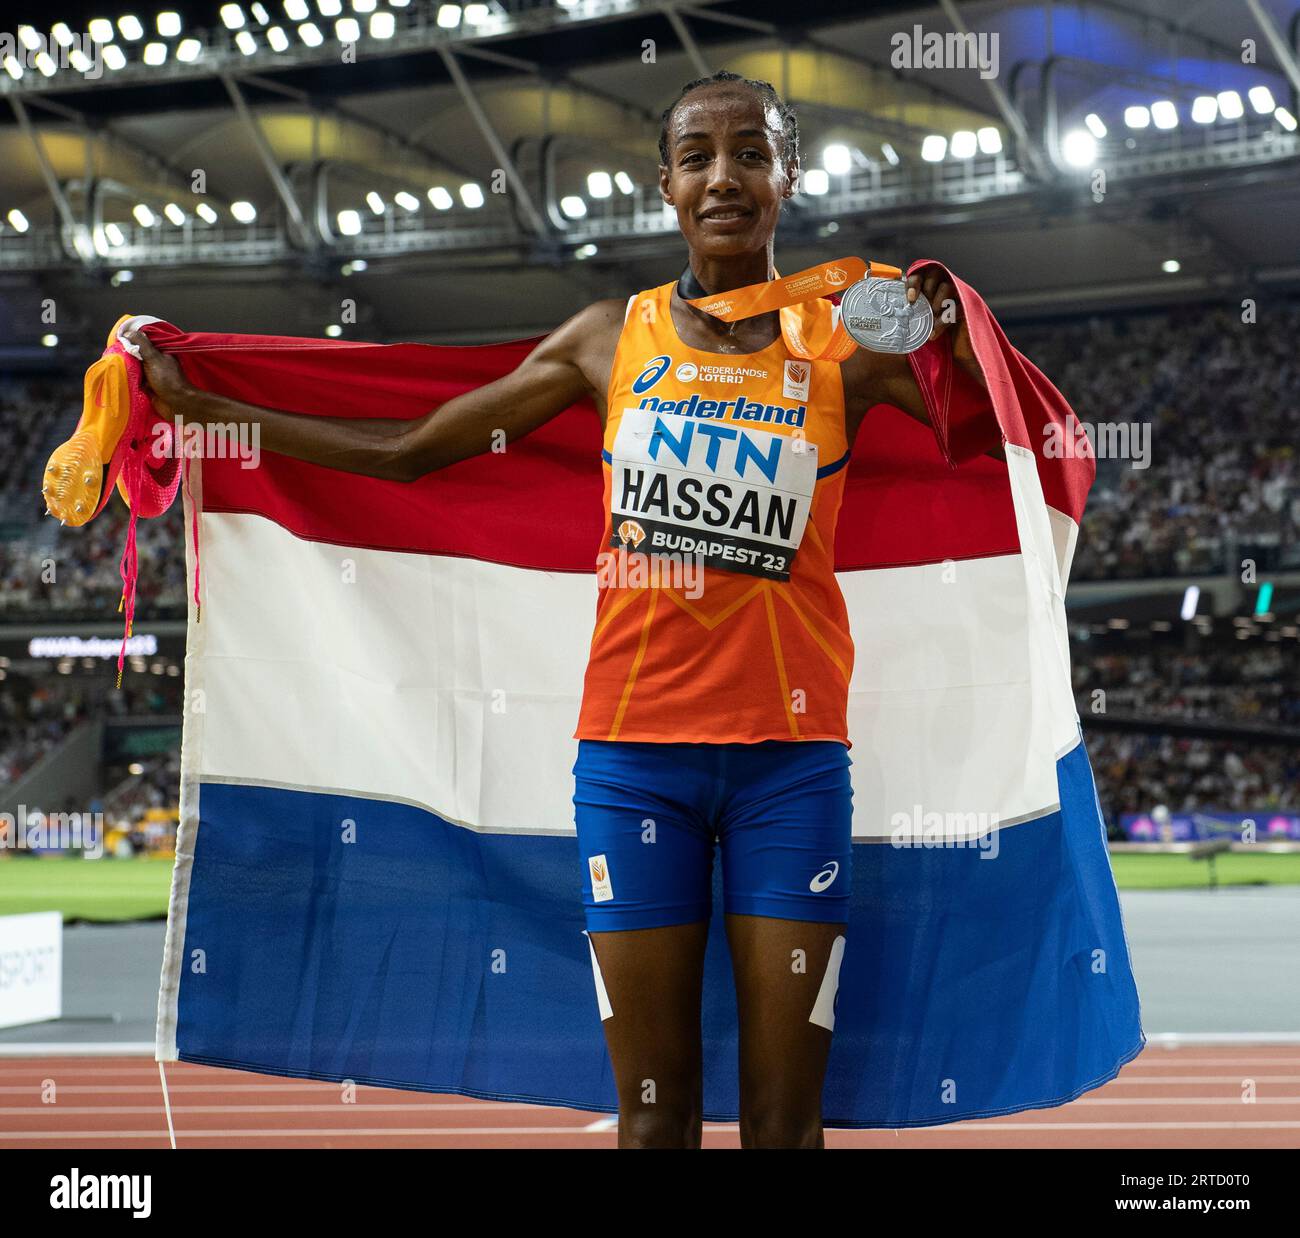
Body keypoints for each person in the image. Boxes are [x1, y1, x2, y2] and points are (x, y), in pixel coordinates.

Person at [126, 69, 999, 1149]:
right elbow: (406, 451)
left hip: (793, 763)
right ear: (666, 184)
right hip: (635, 765)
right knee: (650, 1119)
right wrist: (209, 410)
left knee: (784, 1124)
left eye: (751, 152)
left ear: (786, 175)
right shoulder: (606, 339)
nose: (724, 176)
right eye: (698, 156)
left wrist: (949, 324)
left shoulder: (843, 350)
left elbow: (995, 430)